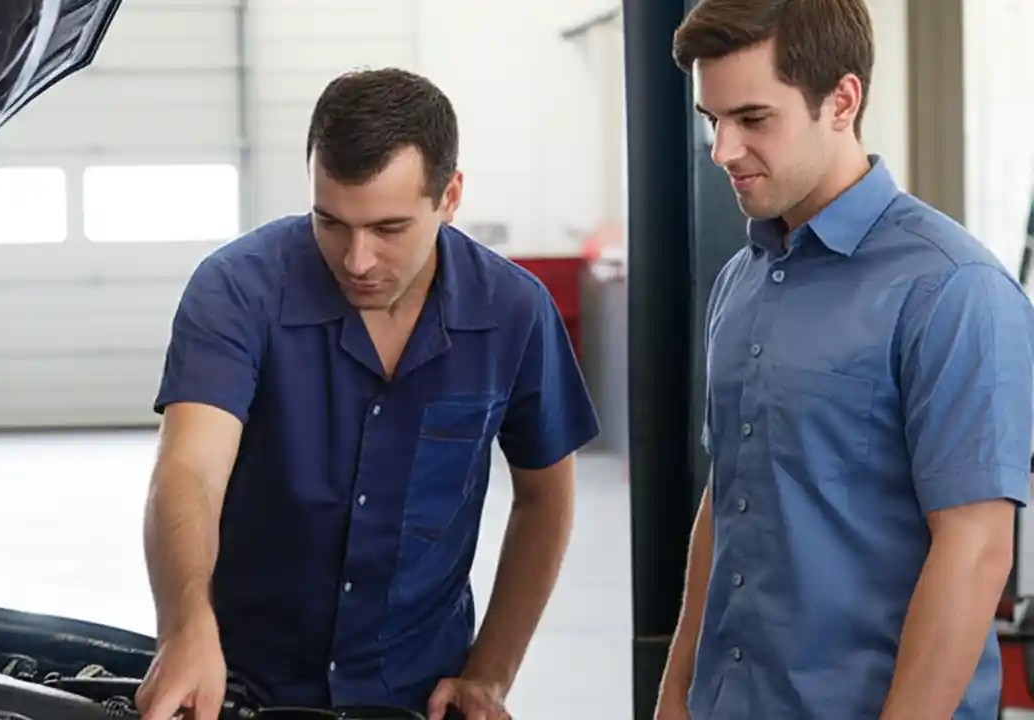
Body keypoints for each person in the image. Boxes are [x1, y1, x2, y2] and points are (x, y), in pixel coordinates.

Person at [134, 67, 600, 720]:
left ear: (451, 196)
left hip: (417, 693)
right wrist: (184, 627)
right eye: (331, 222)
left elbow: (545, 498)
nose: (355, 259)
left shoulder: (514, 312)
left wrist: (491, 673)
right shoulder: (236, 290)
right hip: (242, 684)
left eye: (388, 228)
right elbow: (188, 470)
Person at [654, 1, 1034, 718]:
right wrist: (676, 697)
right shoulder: (741, 280)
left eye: (753, 119)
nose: (723, 150)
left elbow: (976, 551)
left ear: (842, 100)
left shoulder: (953, 289)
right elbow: (726, 502)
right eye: (713, 121)